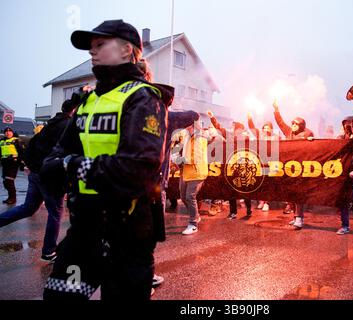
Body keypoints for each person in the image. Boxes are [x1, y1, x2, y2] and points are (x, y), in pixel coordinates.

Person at [40, 19, 170, 300]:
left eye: (100, 45)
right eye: (90, 48)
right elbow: (53, 158)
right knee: (60, 296)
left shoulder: (144, 98)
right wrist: (65, 164)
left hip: (128, 231)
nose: (92, 52)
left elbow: (135, 170)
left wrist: (72, 166)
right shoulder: (88, 101)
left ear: (126, 50)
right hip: (85, 228)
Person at [0, 97, 81, 262]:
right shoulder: (69, 127)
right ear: (74, 110)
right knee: (55, 213)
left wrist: (31, 166)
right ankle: (49, 251)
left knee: (28, 208)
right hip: (51, 177)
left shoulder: (50, 125)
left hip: (37, 174)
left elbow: (32, 146)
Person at [272, 100, 314, 229]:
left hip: (301, 168)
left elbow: (313, 148)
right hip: (289, 167)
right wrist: (276, 110)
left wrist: (310, 141)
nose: (293, 125)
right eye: (292, 123)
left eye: (296, 124)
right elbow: (280, 123)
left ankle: (300, 218)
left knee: (299, 195)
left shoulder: (307, 133)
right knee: (291, 194)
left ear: (301, 125)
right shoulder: (289, 132)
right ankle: (295, 217)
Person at [207, 110, 252, 219]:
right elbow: (219, 128)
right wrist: (212, 117)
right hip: (231, 167)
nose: (232, 129)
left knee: (245, 191)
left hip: (243, 168)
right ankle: (233, 212)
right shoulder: (229, 137)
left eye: (234, 127)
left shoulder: (246, 139)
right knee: (231, 191)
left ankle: (249, 209)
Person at [177, 123, 208, 235]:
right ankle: (196, 216)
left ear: (193, 126)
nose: (185, 128)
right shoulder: (186, 136)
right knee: (183, 197)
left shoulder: (200, 138)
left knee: (190, 197)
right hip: (186, 171)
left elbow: (197, 157)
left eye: (187, 126)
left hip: (197, 171)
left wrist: (180, 160)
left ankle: (193, 224)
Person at [247, 112, 278, 212]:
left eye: (268, 127)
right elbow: (252, 128)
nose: (266, 129)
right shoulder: (260, 135)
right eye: (264, 127)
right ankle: (261, 201)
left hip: (272, 162)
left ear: (271, 128)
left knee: (268, 183)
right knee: (261, 182)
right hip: (261, 161)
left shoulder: (276, 137)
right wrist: (249, 119)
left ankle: (267, 203)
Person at [335, 116, 353, 235]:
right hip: (343, 173)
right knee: (343, 200)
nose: (347, 126)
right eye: (345, 124)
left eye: (349, 124)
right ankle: (345, 225)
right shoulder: (341, 137)